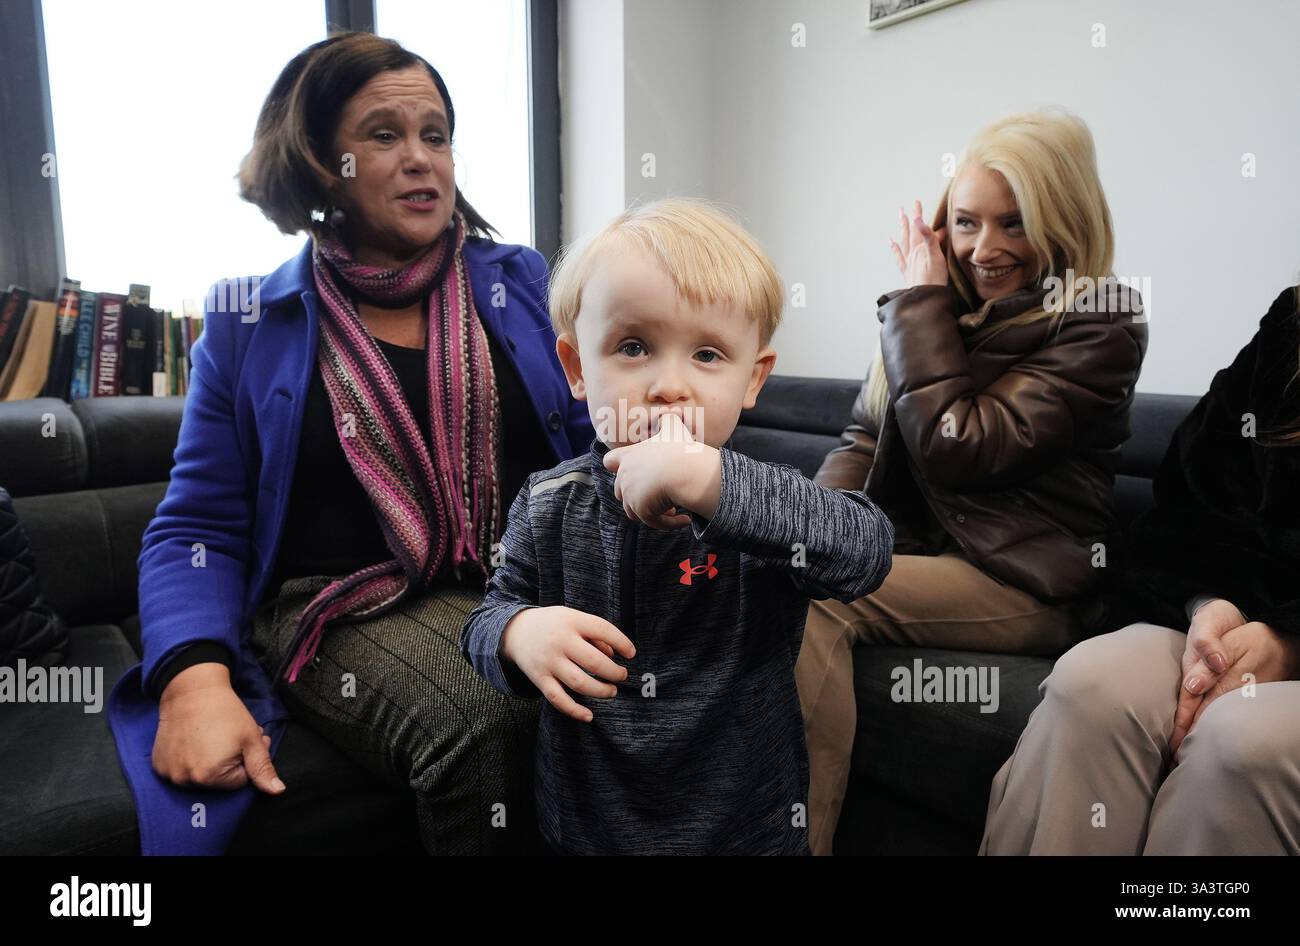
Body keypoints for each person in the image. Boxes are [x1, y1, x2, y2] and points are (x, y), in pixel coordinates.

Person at [106, 32, 593, 855]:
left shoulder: (524, 285)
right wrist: (193, 680)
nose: (420, 159)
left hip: (517, 577)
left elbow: (593, 448)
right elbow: (196, 531)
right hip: (337, 605)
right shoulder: (246, 323)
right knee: (487, 717)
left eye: (435, 135)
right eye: (383, 135)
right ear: (322, 163)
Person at [459, 198, 895, 854]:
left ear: (754, 379)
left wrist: (713, 489)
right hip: (586, 831)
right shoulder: (548, 503)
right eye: (633, 347)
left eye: (709, 355)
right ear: (578, 369)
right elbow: (486, 619)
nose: (670, 386)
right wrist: (518, 632)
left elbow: (866, 551)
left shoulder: (761, 505)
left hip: (746, 835)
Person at [796, 108, 1149, 854]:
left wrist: (916, 307)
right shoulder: (940, 312)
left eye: (1013, 224)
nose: (984, 248)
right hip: (932, 556)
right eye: (965, 223)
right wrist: (806, 529)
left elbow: (965, 444)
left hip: (1025, 582)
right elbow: (866, 437)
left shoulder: (1103, 322)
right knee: (778, 572)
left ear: (1062, 221)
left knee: (820, 604)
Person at [982, 285, 1300, 855]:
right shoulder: (1292, 324)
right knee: (1094, 683)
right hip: (1241, 613)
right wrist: (1210, 602)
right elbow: (1196, 499)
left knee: (1242, 739)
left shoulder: (1097, 327)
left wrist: (1290, 639)